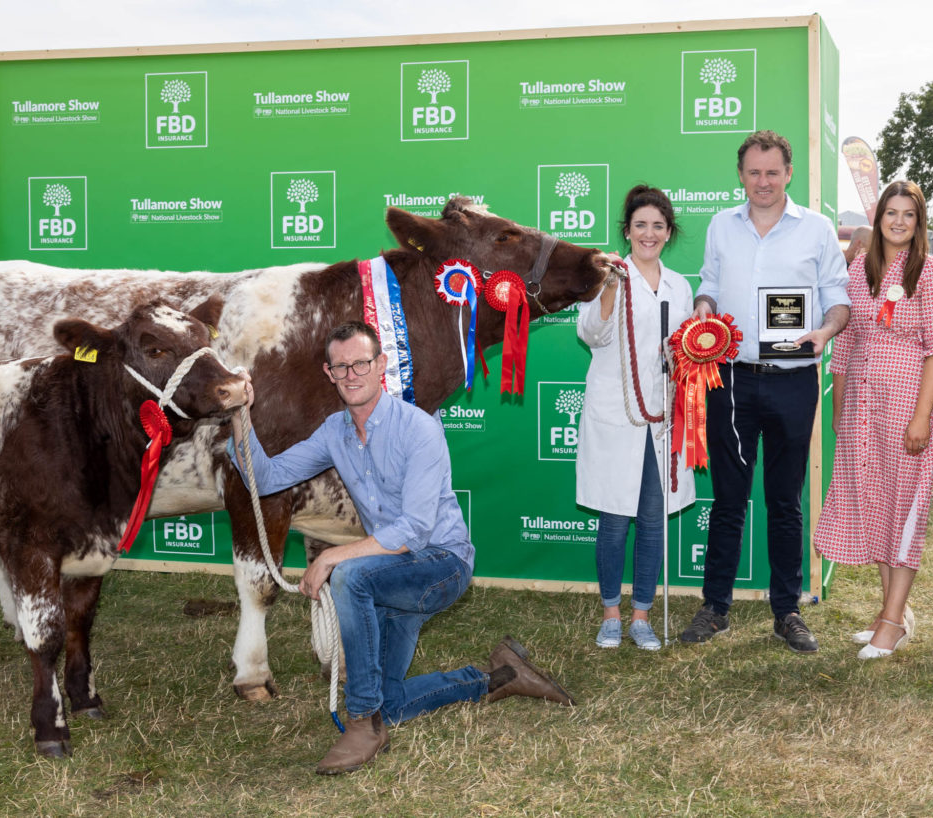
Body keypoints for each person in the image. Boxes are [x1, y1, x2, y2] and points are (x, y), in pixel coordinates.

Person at [233, 322, 575, 774]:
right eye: (341, 366)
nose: (352, 373)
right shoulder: (334, 431)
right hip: (391, 573)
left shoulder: (418, 428)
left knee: (351, 575)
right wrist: (239, 415)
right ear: (329, 373)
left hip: (441, 565)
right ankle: (499, 676)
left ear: (380, 365)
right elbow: (269, 477)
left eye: (361, 363)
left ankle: (360, 723)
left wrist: (333, 556)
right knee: (390, 703)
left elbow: (414, 530)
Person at [681, 130, 851, 652]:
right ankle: (715, 608)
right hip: (729, 378)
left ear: (789, 173)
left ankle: (787, 610)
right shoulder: (720, 226)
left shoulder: (818, 229)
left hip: (794, 380)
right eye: (753, 172)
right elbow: (707, 281)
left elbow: (838, 300)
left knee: (785, 501)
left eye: (772, 172)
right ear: (740, 174)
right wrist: (704, 308)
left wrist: (823, 332)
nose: (763, 182)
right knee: (728, 500)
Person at [814, 180, 933, 659]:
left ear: (919, 222)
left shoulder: (932, 272)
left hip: (906, 401)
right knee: (876, 504)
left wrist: (921, 418)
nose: (898, 222)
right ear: (878, 220)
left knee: (904, 507)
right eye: (890, 213)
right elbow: (847, 341)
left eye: (908, 215)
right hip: (860, 401)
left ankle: (893, 621)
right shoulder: (861, 268)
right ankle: (889, 613)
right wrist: (838, 411)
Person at [575, 185, 694, 650]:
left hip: (663, 415)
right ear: (627, 231)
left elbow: (687, 347)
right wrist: (607, 291)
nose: (649, 234)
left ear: (669, 233)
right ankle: (610, 612)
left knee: (652, 518)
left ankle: (642, 614)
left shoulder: (680, 285)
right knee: (613, 519)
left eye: (658, 226)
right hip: (616, 413)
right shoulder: (610, 276)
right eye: (640, 225)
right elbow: (591, 333)